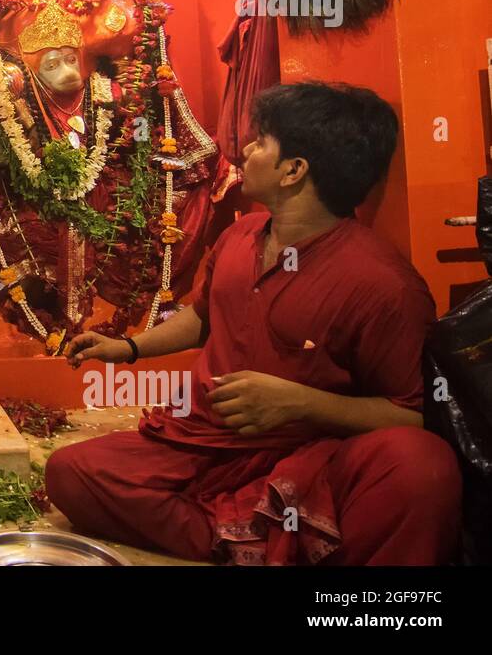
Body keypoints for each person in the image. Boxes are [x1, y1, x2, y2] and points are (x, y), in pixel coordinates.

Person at [47, 82, 461, 565]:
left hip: (303, 458)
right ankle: (251, 539)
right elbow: (204, 318)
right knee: (71, 471)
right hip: (202, 446)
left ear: (294, 170)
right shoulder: (241, 235)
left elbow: (411, 414)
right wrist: (128, 348)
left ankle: (256, 537)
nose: (245, 149)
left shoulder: (383, 284)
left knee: (419, 465)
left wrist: (301, 404)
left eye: (261, 140)